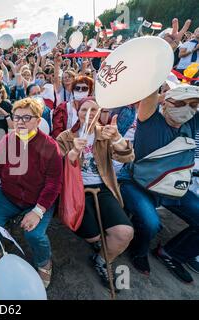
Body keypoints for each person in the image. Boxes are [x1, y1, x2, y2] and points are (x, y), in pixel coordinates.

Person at [0, 98, 63, 288]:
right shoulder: (7, 140)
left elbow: (54, 183)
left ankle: (44, 262)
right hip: (8, 195)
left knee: (34, 235)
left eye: (27, 117)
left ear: (38, 120)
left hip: (38, 200)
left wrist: (38, 211)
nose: (20, 122)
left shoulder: (50, 146)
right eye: (16, 117)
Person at [120, 84, 199, 283]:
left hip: (172, 188)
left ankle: (172, 254)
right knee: (151, 223)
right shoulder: (150, 120)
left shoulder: (192, 123)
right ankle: (138, 251)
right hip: (137, 183)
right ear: (164, 102)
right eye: (180, 103)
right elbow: (150, 87)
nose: (187, 108)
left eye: (194, 104)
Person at [56, 98, 135, 290]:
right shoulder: (65, 137)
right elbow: (57, 169)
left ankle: (101, 260)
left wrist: (116, 138)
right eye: (84, 110)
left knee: (125, 233)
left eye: (94, 110)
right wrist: (73, 153)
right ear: (77, 112)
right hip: (76, 191)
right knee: (93, 236)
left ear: (99, 113)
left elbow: (128, 157)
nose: (89, 114)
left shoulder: (106, 133)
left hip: (103, 188)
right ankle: (99, 245)